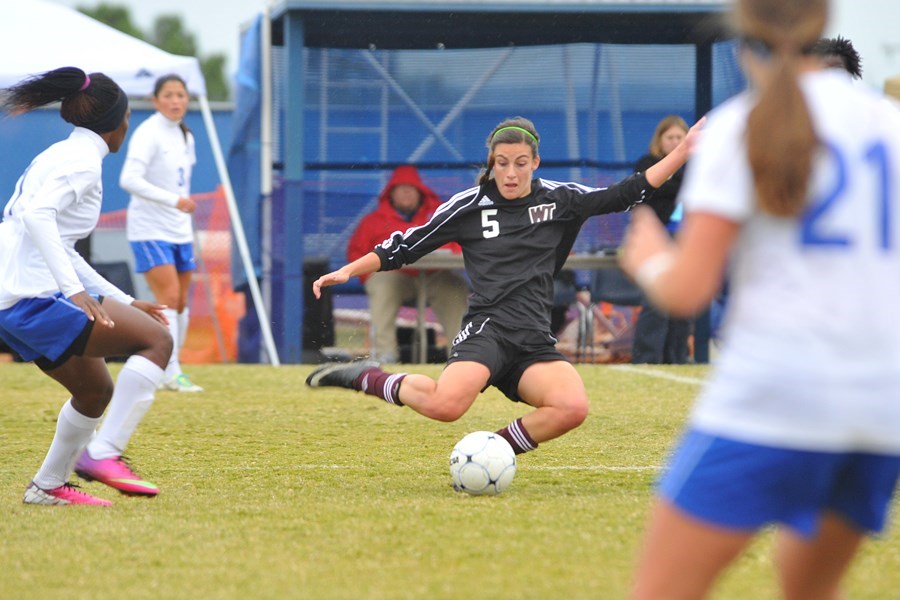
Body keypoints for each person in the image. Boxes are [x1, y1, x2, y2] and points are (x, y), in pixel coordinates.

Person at [621, 0, 900, 596]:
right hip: (880, 410)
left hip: (778, 395)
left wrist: (648, 260)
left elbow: (689, 287)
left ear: (743, 29)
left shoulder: (737, 126)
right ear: (823, 22)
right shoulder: (889, 124)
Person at [306, 116, 698, 458]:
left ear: (536, 163)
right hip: (488, 330)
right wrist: (349, 270)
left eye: (521, 164)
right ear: (492, 163)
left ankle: (490, 451)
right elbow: (405, 246)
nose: (510, 173)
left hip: (533, 339)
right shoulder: (470, 205)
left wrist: (683, 151)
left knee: (572, 407)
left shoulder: (562, 199)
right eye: (502, 163)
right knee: (446, 405)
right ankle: (364, 376)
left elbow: (628, 192)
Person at [0, 67, 173, 506]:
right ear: (116, 122)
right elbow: (39, 217)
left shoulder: (61, 154)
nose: (128, 127)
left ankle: (46, 486)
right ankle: (103, 454)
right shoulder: (81, 162)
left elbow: (59, 243)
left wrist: (122, 298)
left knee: (95, 391)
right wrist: (71, 291)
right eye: (130, 118)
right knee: (158, 341)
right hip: (32, 296)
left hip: (14, 296)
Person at [121, 74, 202, 392]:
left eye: (181, 95)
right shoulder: (148, 132)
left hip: (179, 230)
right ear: (155, 100)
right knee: (166, 299)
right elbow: (129, 179)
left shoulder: (186, 135)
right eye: (168, 95)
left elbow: (181, 183)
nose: (175, 101)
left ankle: (171, 367)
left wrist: (179, 207)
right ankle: (167, 369)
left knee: (181, 302)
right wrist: (173, 201)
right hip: (150, 229)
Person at [347, 166, 469, 363]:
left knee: (454, 288)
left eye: (411, 189)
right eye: (400, 188)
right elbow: (356, 253)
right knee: (381, 284)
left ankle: (462, 356)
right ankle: (384, 356)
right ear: (390, 194)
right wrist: (367, 276)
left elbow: (460, 245)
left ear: (420, 193)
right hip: (395, 276)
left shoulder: (439, 217)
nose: (406, 193)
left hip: (435, 275)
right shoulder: (373, 221)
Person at [630, 115, 692, 364]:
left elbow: (683, 188)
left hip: (685, 241)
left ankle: (677, 358)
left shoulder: (697, 166)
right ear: (660, 140)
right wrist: (674, 182)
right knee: (655, 303)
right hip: (656, 243)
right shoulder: (647, 163)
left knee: (684, 301)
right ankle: (646, 357)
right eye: (671, 138)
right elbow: (653, 188)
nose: (675, 142)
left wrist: (673, 182)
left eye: (680, 137)